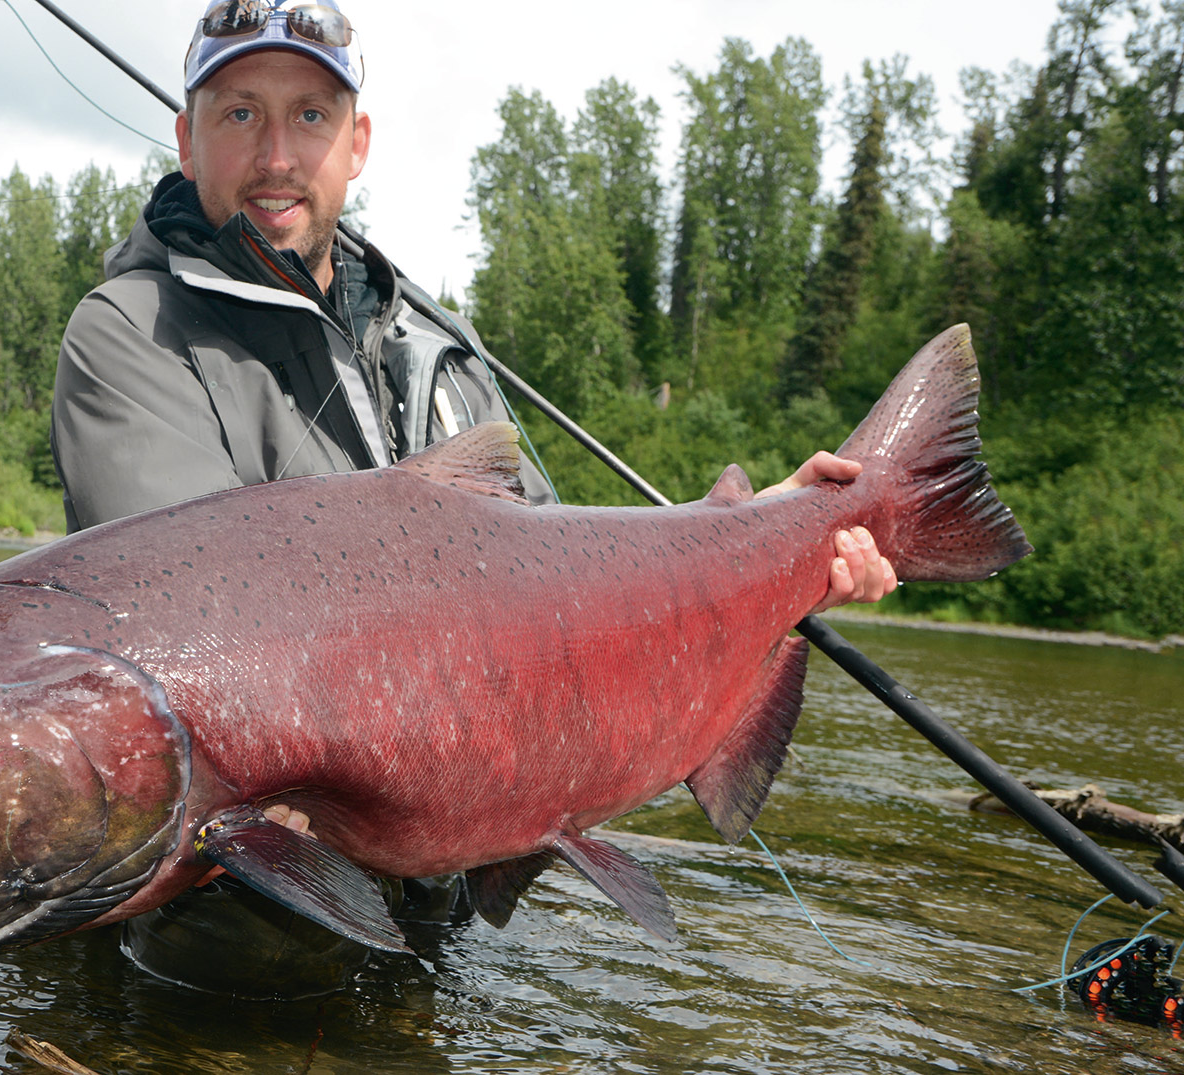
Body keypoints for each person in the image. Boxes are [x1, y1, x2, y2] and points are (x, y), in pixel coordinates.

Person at [49, 0, 893, 992]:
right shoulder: (129, 333)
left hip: (436, 889)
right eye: (239, 115)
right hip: (230, 919)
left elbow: (555, 592)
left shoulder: (437, 346)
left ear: (356, 144)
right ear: (187, 139)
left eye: (311, 117)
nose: (277, 154)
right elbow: (198, 648)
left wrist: (767, 540)